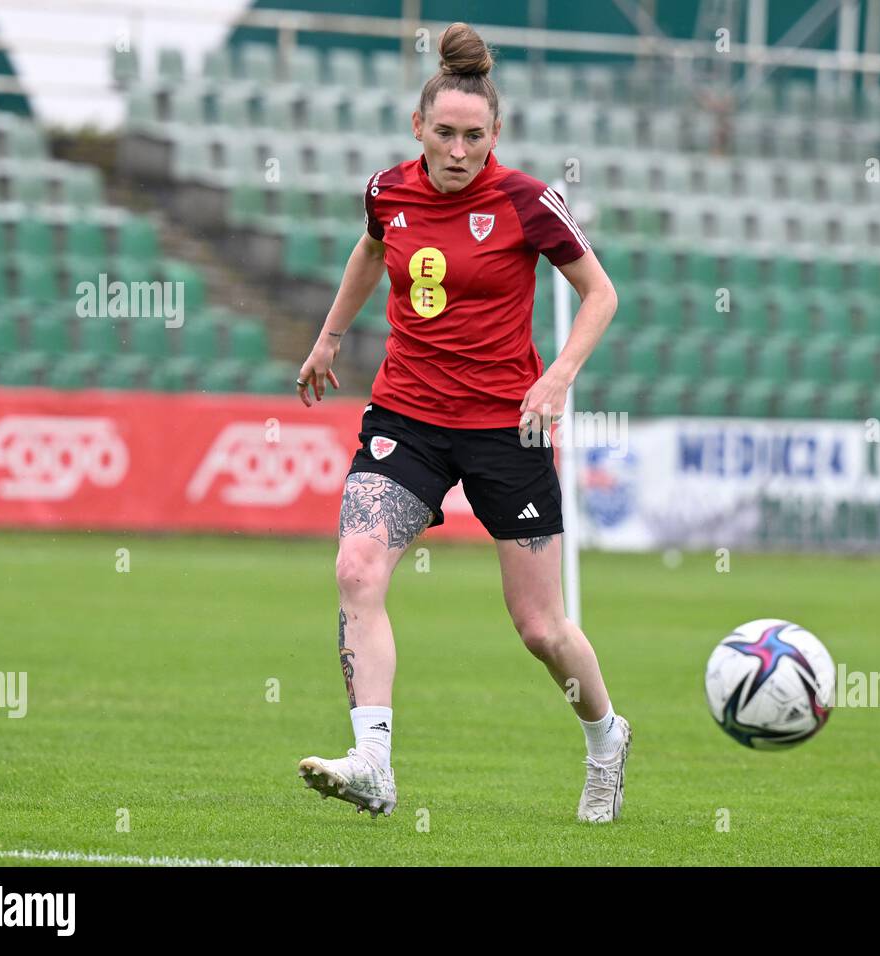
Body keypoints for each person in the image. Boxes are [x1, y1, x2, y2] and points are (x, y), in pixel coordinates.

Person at [292, 23, 627, 820]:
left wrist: (557, 378)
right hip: (406, 413)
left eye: (475, 136)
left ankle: (606, 738)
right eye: (444, 133)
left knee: (540, 629)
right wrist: (331, 335)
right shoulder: (387, 191)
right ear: (418, 129)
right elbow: (372, 251)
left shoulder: (525, 201)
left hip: (507, 426)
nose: (458, 150)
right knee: (356, 570)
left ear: (495, 136)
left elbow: (601, 295)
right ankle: (373, 762)